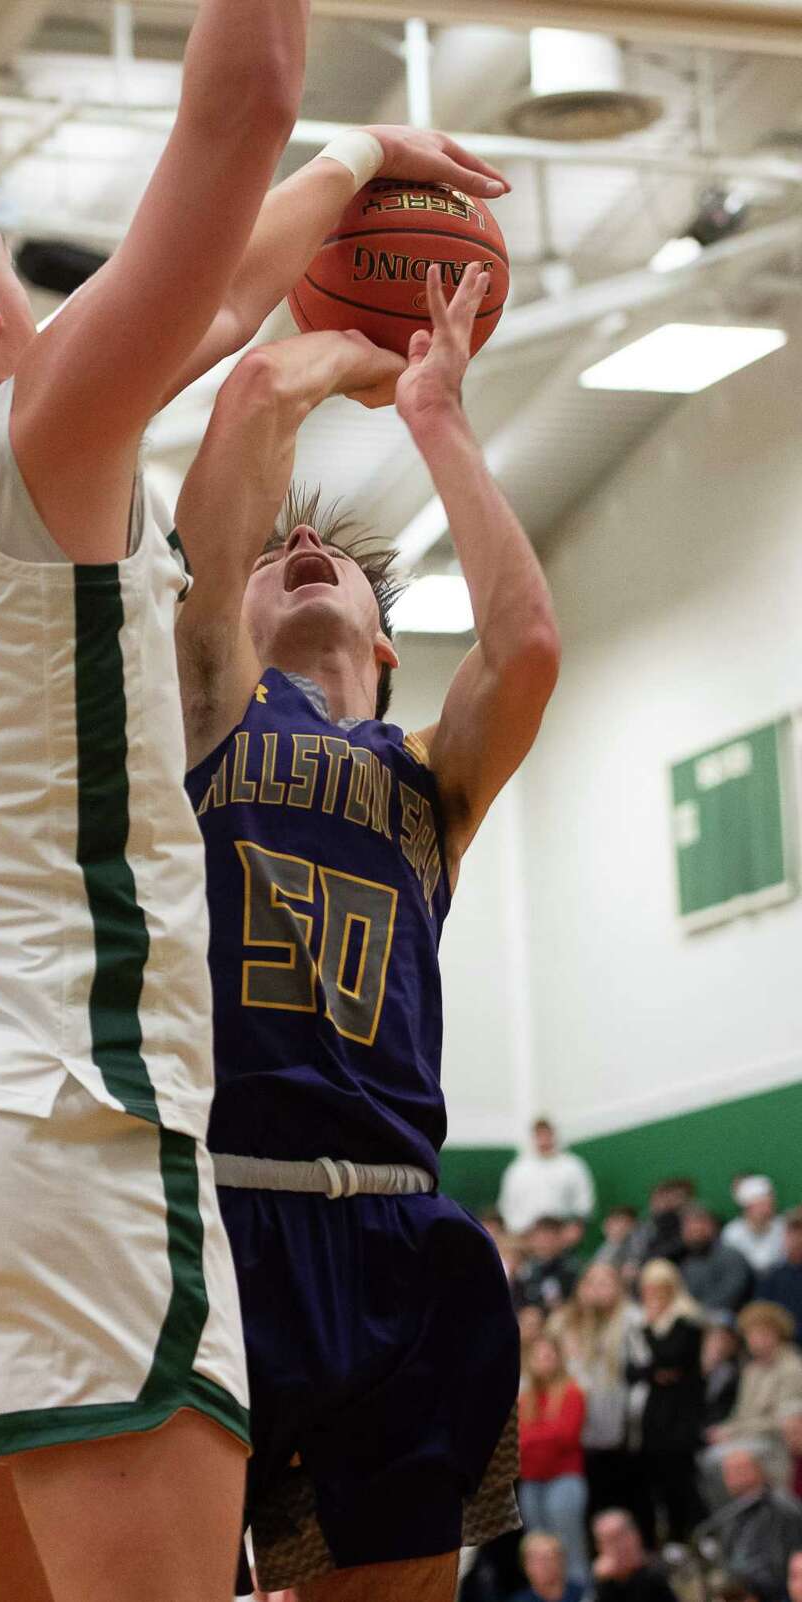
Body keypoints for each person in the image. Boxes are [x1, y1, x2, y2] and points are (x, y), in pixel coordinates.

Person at [0, 11, 512, 1591]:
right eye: (30, 282)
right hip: (52, 1112)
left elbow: (225, 315)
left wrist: (338, 231)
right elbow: (238, 110)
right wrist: (352, 154)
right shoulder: (27, 442)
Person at [174, 254, 556, 1596]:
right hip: (216, 1225)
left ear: (389, 644)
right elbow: (218, 516)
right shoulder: (214, 707)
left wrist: (439, 417)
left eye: (325, 555)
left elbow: (528, 649)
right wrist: (311, 361)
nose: (297, 555)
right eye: (277, 558)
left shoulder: (430, 781)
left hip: (397, 1236)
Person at [550, 1262, 646, 1526]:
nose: (596, 1290)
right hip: (580, 1423)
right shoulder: (569, 1321)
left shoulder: (632, 1319)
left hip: (620, 1422)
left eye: (604, 1283)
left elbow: (641, 1366)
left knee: (619, 1494)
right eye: (591, 1283)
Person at [628, 1259, 705, 1543]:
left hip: (680, 1418)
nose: (653, 1296)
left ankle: (685, 1537)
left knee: (680, 1483)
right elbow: (634, 1371)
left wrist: (648, 1337)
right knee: (653, 1483)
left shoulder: (686, 1322)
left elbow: (671, 1359)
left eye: (659, 1290)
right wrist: (654, 1372)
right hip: (652, 1418)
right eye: (648, 1290)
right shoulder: (642, 1324)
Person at [704, 1303, 802, 1492]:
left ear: (778, 1333)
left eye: (763, 1333)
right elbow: (741, 1413)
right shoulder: (751, 1370)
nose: (756, 1340)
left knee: (714, 1462)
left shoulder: (792, 1368)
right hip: (747, 1437)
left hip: (773, 1442)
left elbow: (786, 1422)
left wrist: (734, 1433)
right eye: (751, 1334)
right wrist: (725, 1430)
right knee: (705, 1457)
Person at [517, 1336, 590, 1583]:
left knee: (569, 1546)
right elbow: (517, 1441)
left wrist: (533, 1437)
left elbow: (567, 1437)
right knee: (537, 1551)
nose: (544, 1362)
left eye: (549, 1356)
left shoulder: (572, 1392)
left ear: (559, 1359)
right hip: (531, 1480)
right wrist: (545, 1434)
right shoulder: (524, 1399)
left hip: (565, 1478)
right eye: (539, 1356)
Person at [695, 1448, 802, 1602]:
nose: (735, 1477)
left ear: (759, 1470)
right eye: (729, 1472)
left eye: (741, 1469)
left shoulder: (781, 1507)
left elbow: (781, 1566)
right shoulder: (731, 1513)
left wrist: (746, 1588)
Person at [499, 1121, 596, 1238]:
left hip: (562, 1234)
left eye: (547, 1135)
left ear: (554, 1135)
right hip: (526, 1235)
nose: (544, 1140)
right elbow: (507, 1205)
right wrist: (517, 1233)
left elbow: (584, 1202)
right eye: (539, 1135)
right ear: (533, 1138)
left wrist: (575, 1228)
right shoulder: (517, 1169)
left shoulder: (572, 1165)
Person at [681, 1204, 755, 1316]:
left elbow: (732, 1295)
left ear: (714, 1227)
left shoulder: (731, 1256)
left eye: (701, 1224)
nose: (695, 1230)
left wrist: (699, 1312)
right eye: (690, 1227)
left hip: (731, 1317)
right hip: (697, 1318)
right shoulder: (687, 1262)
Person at [590, 1510, 676, 1602]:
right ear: (600, 1548)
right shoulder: (600, 1584)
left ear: (637, 1536)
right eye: (612, 1540)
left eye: (623, 1535)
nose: (620, 1546)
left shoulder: (665, 1571)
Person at [515, 1220, 582, 1314]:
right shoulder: (523, 1266)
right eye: (539, 1238)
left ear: (560, 1240)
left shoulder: (569, 1269)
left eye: (548, 1238)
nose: (543, 1244)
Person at [724, 1178, 788, 1276]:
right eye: (761, 1204)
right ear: (747, 1207)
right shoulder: (732, 1232)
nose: (767, 1208)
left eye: (769, 1203)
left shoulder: (784, 1226)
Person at [510, 1532, 586, 1602]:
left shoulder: (585, 1594)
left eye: (549, 1558)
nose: (544, 1565)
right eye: (536, 1560)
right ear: (525, 1566)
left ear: (562, 1561)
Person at [760, 1209, 802, 1333]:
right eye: (792, 1232)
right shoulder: (772, 1275)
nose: (797, 1239)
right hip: (782, 1343)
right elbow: (762, 1315)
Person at [703, 1314, 743, 1432]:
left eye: (727, 1340)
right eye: (715, 1337)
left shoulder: (734, 1375)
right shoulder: (685, 1363)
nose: (720, 1344)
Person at [593, 1206, 642, 1286]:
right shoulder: (604, 1245)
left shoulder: (634, 1251)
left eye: (624, 1222)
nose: (618, 1226)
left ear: (633, 1227)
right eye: (614, 1221)